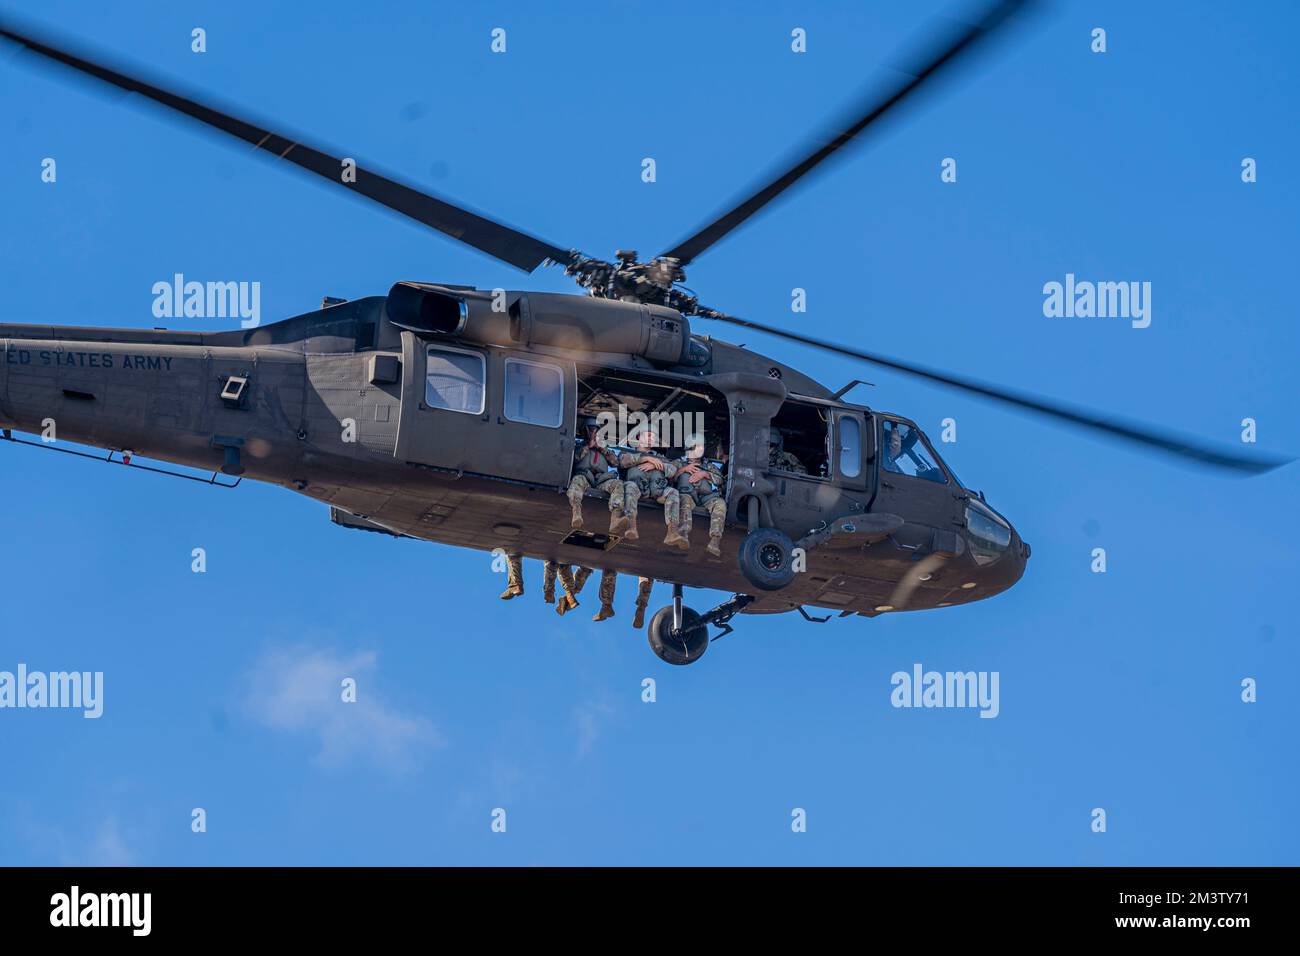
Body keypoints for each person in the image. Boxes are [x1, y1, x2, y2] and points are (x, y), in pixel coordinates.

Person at [616, 428, 686, 547]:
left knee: (672, 492)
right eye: (648, 435)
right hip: (637, 491)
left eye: (653, 437)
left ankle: (672, 532)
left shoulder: (660, 457)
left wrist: (657, 464)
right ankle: (631, 526)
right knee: (630, 486)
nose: (651, 438)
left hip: (658, 492)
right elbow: (623, 462)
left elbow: (673, 470)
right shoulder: (627, 453)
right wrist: (645, 458)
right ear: (638, 437)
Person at [567, 417, 628, 534]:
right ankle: (576, 513)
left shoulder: (604, 449)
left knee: (618, 484)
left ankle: (615, 519)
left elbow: (615, 462)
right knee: (577, 481)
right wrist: (588, 446)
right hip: (585, 477)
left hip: (601, 480)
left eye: (596, 431)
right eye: (591, 430)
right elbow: (574, 458)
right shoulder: (579, 446)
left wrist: (602, 449)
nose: (594, 433)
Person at [674, 435, 727, 557]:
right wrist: (684, 469)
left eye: (702, 446)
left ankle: (714, 541)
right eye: (698, 446)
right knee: (684, 500)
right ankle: (683, 535)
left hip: (705, 497)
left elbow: (720, 480)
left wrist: (705, 474)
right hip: (686, 495)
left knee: (720, 503)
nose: (701, 449)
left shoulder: (707, 465)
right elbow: (669, 474)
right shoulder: (679, 462)